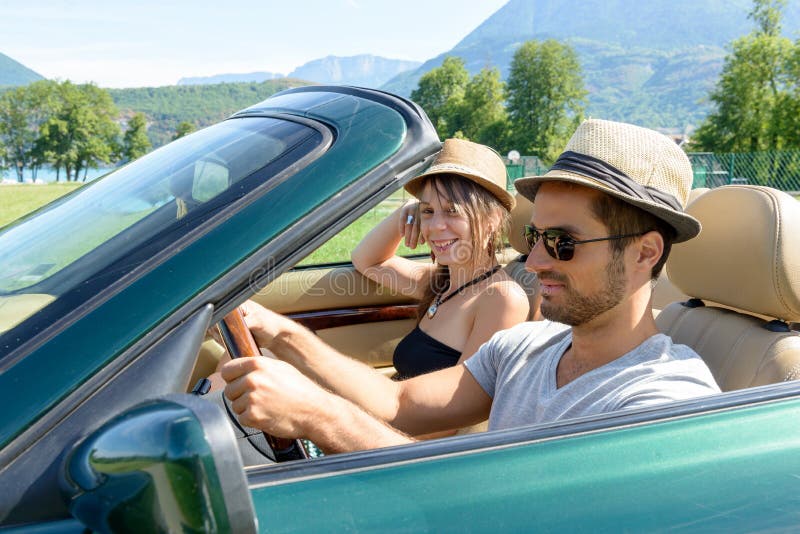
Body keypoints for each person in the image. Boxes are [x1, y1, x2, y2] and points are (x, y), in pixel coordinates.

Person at [221, 119, 721, 454]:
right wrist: (280, 333)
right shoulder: (525, 346)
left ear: (645, 252)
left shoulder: (662, 402)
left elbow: (500, 512)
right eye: (535, 237)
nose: (537, 260)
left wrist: (318, 414)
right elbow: (400, 406)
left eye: (563, 243)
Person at [351, 138, 530, 380]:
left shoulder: (502, 298)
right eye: (428, 212)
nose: (435, 226)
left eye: (451, 211)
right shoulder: (438, 283)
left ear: (493, 219)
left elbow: (461, 402)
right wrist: (406, 213)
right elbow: (367, 260)